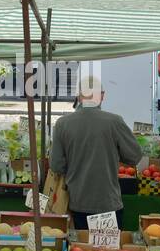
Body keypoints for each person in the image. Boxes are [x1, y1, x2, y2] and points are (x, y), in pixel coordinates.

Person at [49, 74, 142, 231]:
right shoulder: (115, 121)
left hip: (76, 202)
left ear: (79, 96)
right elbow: (134, 156)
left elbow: (56, 165)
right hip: (109, 204)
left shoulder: (62, 124)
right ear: (102, 96)